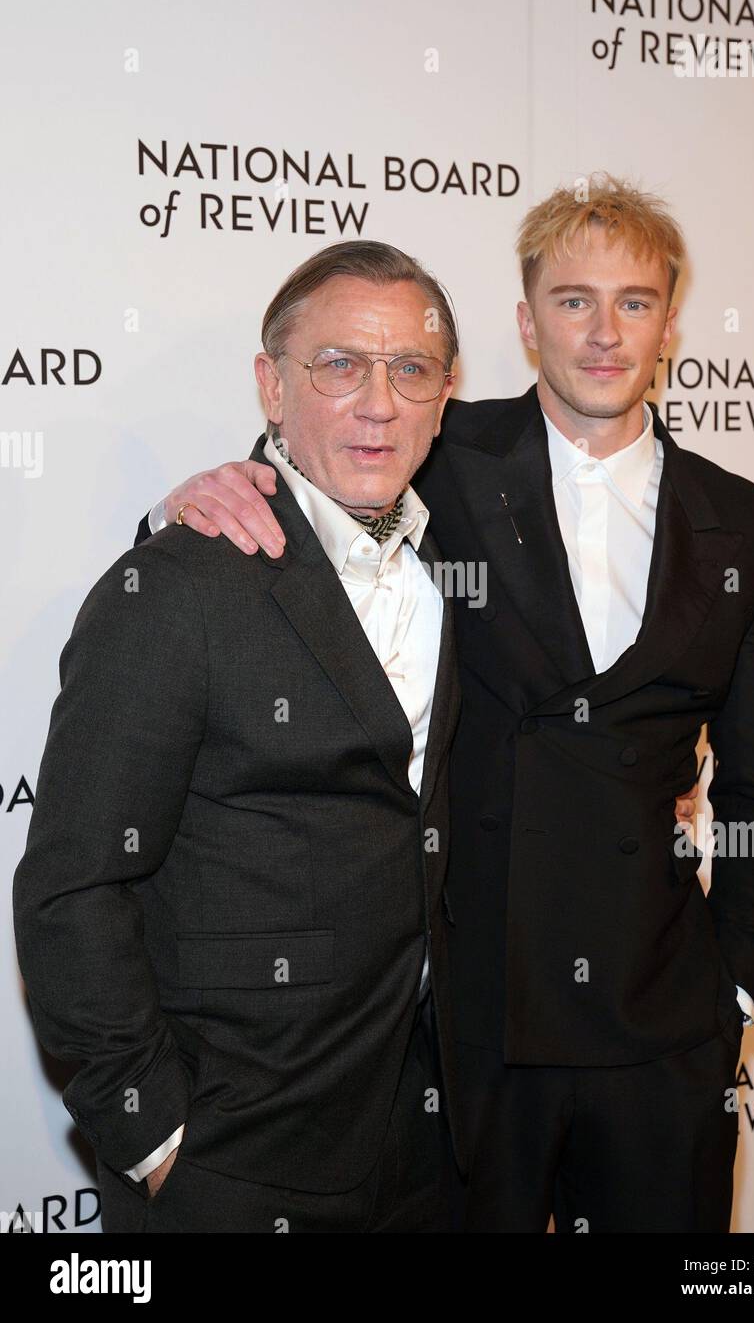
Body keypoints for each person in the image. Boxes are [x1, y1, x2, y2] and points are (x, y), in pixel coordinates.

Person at [155, 177, 754, 1233]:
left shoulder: (748, 524)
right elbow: (295, 485)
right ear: (523, 322)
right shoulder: (435, 457)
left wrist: (735, 981)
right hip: (470, 1022)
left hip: (660, 1023)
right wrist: (188, 499)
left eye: (632, 302)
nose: (602, 333)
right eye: (571, 300)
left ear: (668, 325)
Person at [13, 241, 468, 1233]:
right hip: (232, 1161)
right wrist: (156, 1141)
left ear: (446, 393)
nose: (377, 402)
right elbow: (72, 887)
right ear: (271, 385)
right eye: (339, 364)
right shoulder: (180, 587)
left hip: (429, 1150)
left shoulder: (465, 563)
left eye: (410, 369)